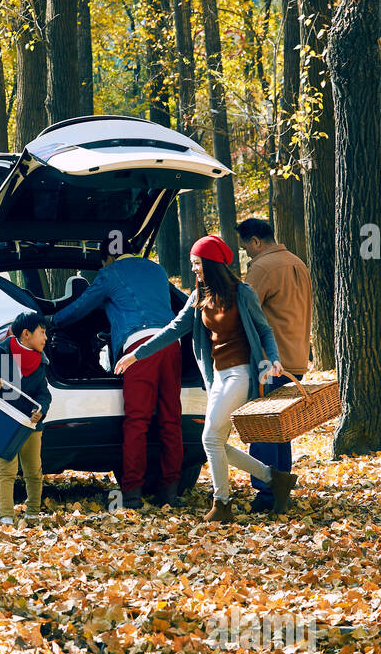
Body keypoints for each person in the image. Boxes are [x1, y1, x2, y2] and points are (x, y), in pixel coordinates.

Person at [115, 235, 297, 523]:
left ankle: (222, 503)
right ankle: (275, 478)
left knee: (210, 438)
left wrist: (273, 358)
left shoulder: (243, 293)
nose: (193, 269)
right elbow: (174, 329)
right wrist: (137, 354)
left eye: (197, 263)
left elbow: (265, 330)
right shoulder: (198, 296)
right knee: (216, 443)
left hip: (242, 374)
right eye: (192, 264)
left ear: (211, 263)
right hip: (217, 377)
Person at [52, 231, 182, 509]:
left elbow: (79, 308)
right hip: (172, 345)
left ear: (107, 257)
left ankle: (132, 492)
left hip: (139, 348)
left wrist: (51, 320)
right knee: (171, 419)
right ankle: (170, 491)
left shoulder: (110, 273)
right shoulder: (158, 270)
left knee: (137, 421)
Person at [236, 218, 312, 513]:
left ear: (255, 241)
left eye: (246, 247)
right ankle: (280, 491)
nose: (247, 254)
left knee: (264, 428)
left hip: (271, 359)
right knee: (281, 429)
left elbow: (244, 309)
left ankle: (267, 495)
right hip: (295, 356)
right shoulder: (297, 261)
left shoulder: (263, 267)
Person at [0, 311, 51, 525]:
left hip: (30, 423)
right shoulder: (1, 352)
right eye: (42, 332)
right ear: (26, 334)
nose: (46, 338)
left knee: (33, 471)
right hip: (5, 421)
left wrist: (41, 410)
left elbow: (44, 393)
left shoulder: (40, 361)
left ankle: (33, 511)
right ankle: (6, 515)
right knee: (7, 470)